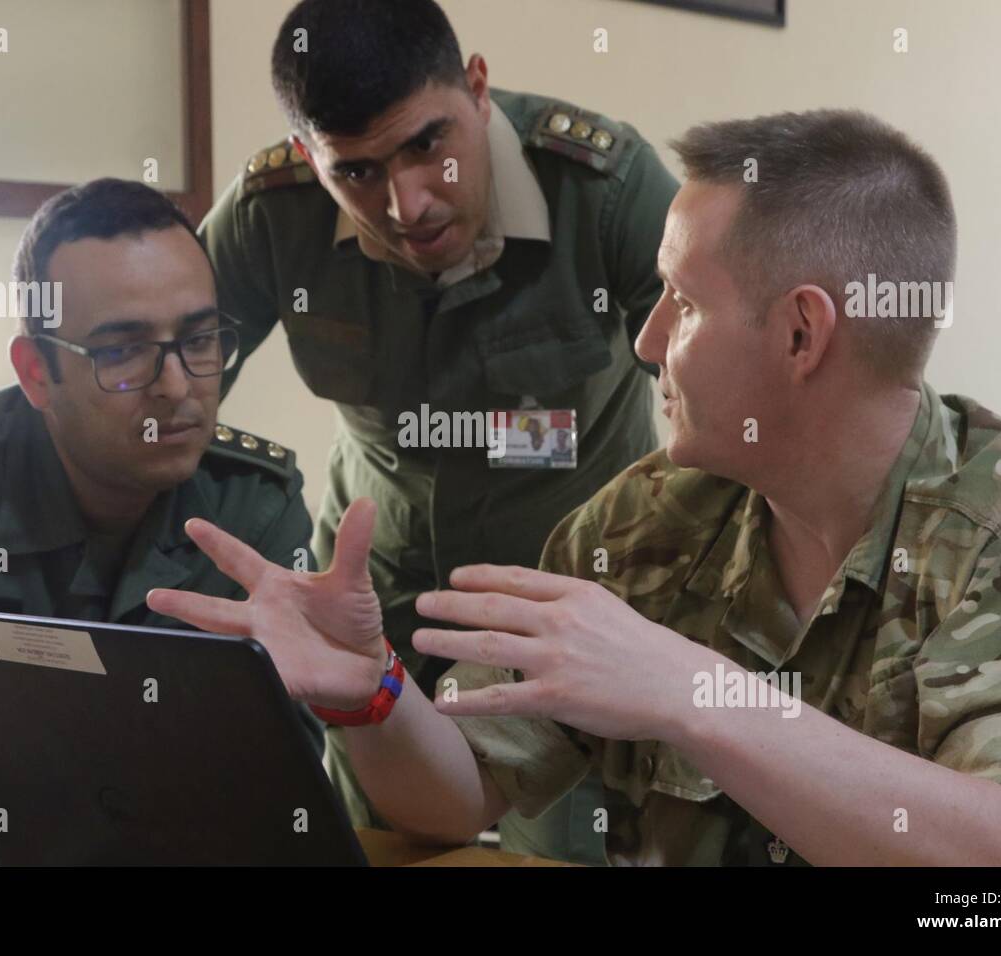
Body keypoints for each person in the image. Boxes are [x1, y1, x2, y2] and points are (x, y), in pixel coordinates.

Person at [151, 110, 1001, 865]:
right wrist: (371, 696)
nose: (645, 344)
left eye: (681, 304)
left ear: (803, 335)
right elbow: (461, 793)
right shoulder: (643, 520)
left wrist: (690, 690)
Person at [202, 0, 676, 863]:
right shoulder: (270, 211)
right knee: (383, 844)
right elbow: (164, 400)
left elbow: (715, 411)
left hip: (565, 593)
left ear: (479, 89)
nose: (408, 203)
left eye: (428, 145)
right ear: (311, 158)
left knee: (556, 851)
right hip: (374, 598)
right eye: (357, 172)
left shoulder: (604, 188)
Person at [0, 179, 313, 865]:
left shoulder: (253, 505)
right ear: (36, 372)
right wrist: (132, 788)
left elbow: (280, 788)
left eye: (200, 339)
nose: (177, 385)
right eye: (122, 352)